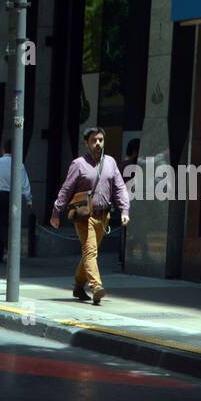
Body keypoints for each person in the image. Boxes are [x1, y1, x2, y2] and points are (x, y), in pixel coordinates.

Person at [50, 126, 131, 305]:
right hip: (84, 216)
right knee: (91, 252)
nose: (98, 144)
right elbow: (66, 189)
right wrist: (57, 211)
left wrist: (124, 210)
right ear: (86, 143)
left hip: (104, 217)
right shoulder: (78, 164)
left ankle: (79, 287)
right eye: (94, 140)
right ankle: (96, 287)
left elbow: (119, 188)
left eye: (100, 140)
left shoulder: (110, 162)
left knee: (88, 253)